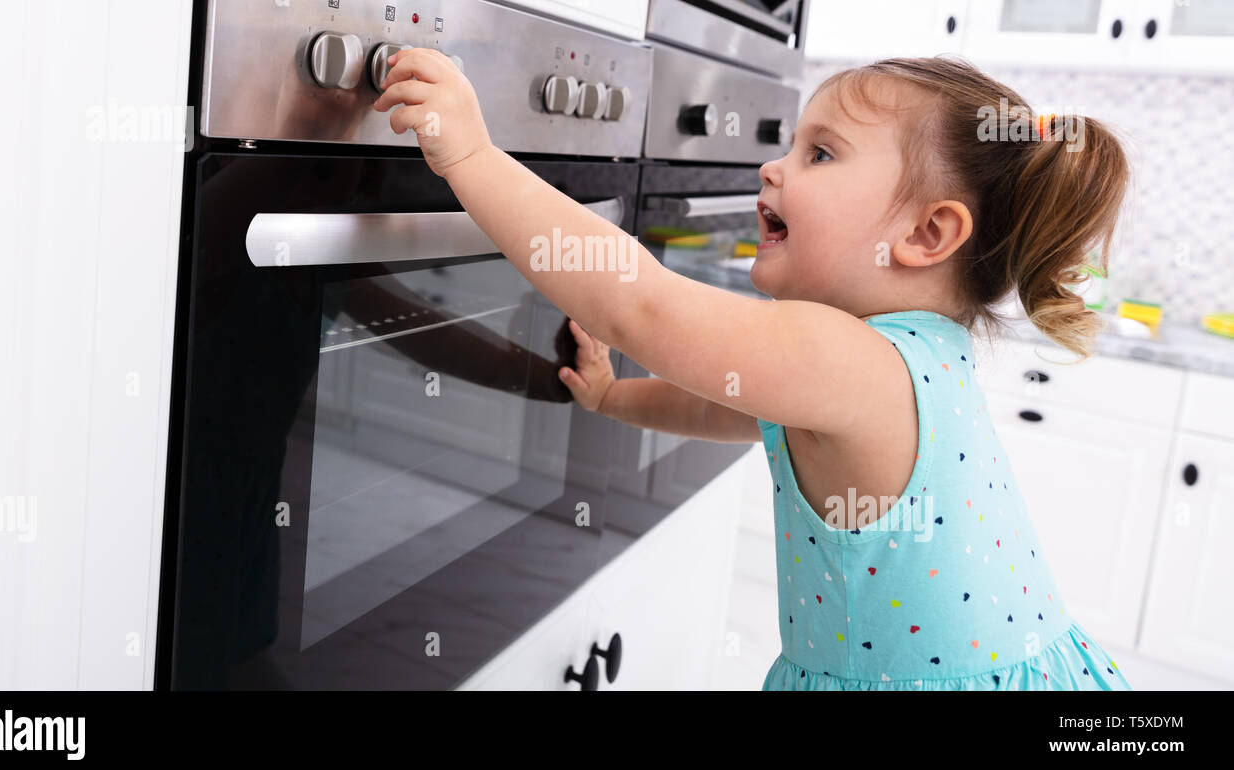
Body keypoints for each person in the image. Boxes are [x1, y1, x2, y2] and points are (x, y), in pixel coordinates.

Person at [373, 50, 1133, 691]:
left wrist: (471, 156)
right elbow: (715, 409)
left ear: (926, 233)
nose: (774, 166)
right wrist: (609, 395)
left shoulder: (853, 360)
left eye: (821, 153)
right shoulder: (908, 354)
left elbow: (640, 308)